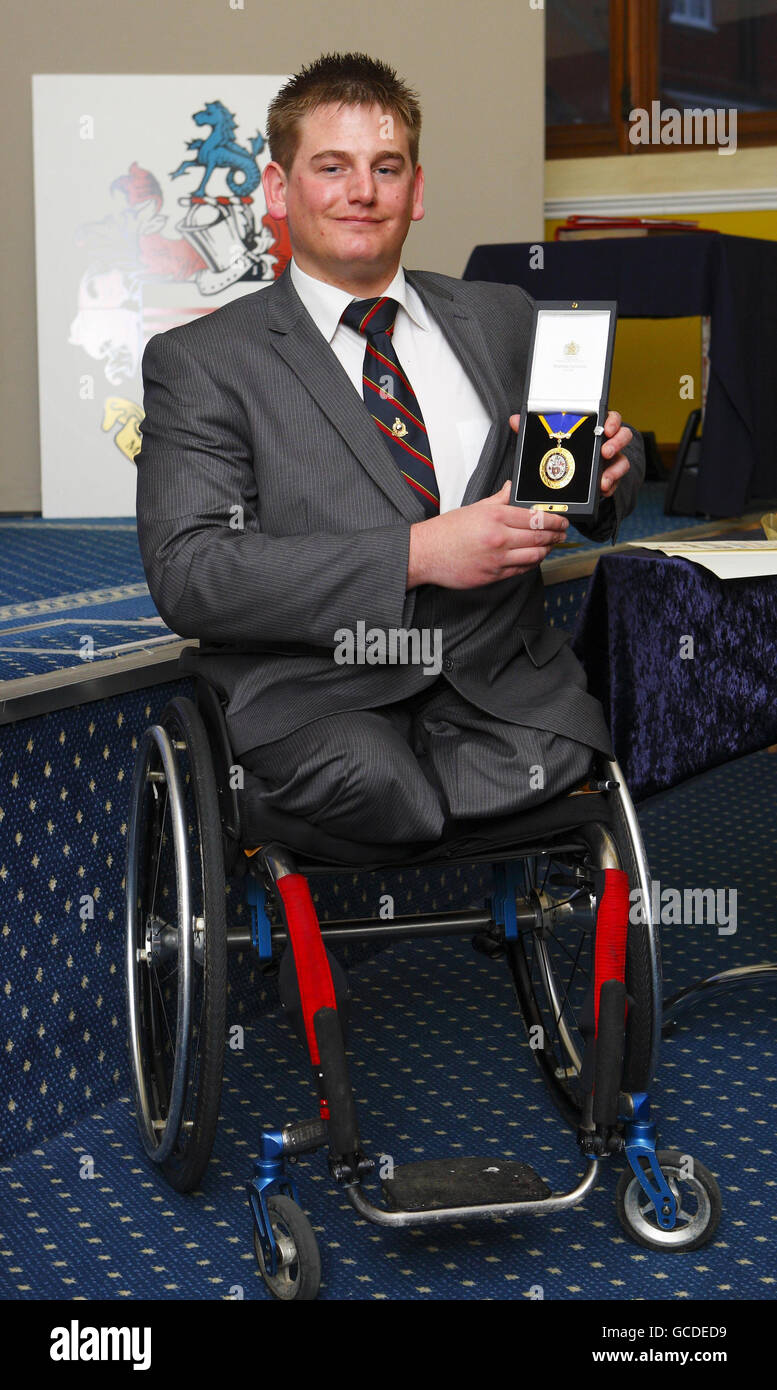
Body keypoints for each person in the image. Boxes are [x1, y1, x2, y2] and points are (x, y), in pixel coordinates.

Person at [135, 51, 644, 846]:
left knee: (574, 742)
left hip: (495, 683)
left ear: (417, 188)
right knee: (375, 781)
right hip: (317, 688)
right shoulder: (202, 361)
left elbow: (578, 462)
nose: (361, 191)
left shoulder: (499, 315)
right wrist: (415, 554)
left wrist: (612, 468)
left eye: (386, 167)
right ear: (277, 189)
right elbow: (190, 574)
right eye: (331, 166)